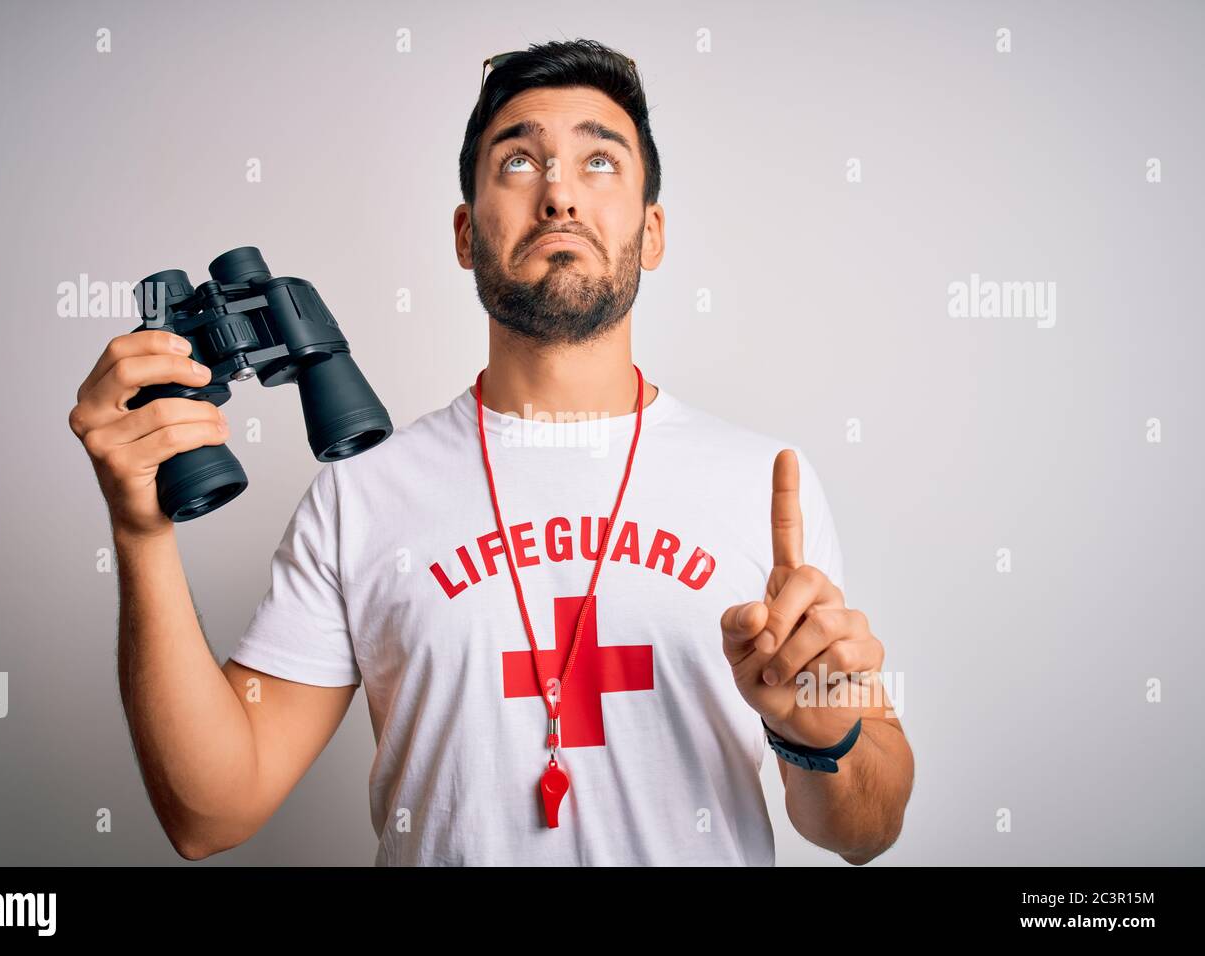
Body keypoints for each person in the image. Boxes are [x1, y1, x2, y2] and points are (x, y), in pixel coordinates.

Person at [67, 38, 913, 866]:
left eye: (600, 162)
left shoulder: (766, 488)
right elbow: (210, 813)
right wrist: (141, 533)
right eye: (518, 161)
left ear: (652, 235)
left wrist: (821, 731)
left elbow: (868, 828)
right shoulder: (362, 495)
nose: (559, 196)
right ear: (467, 235)